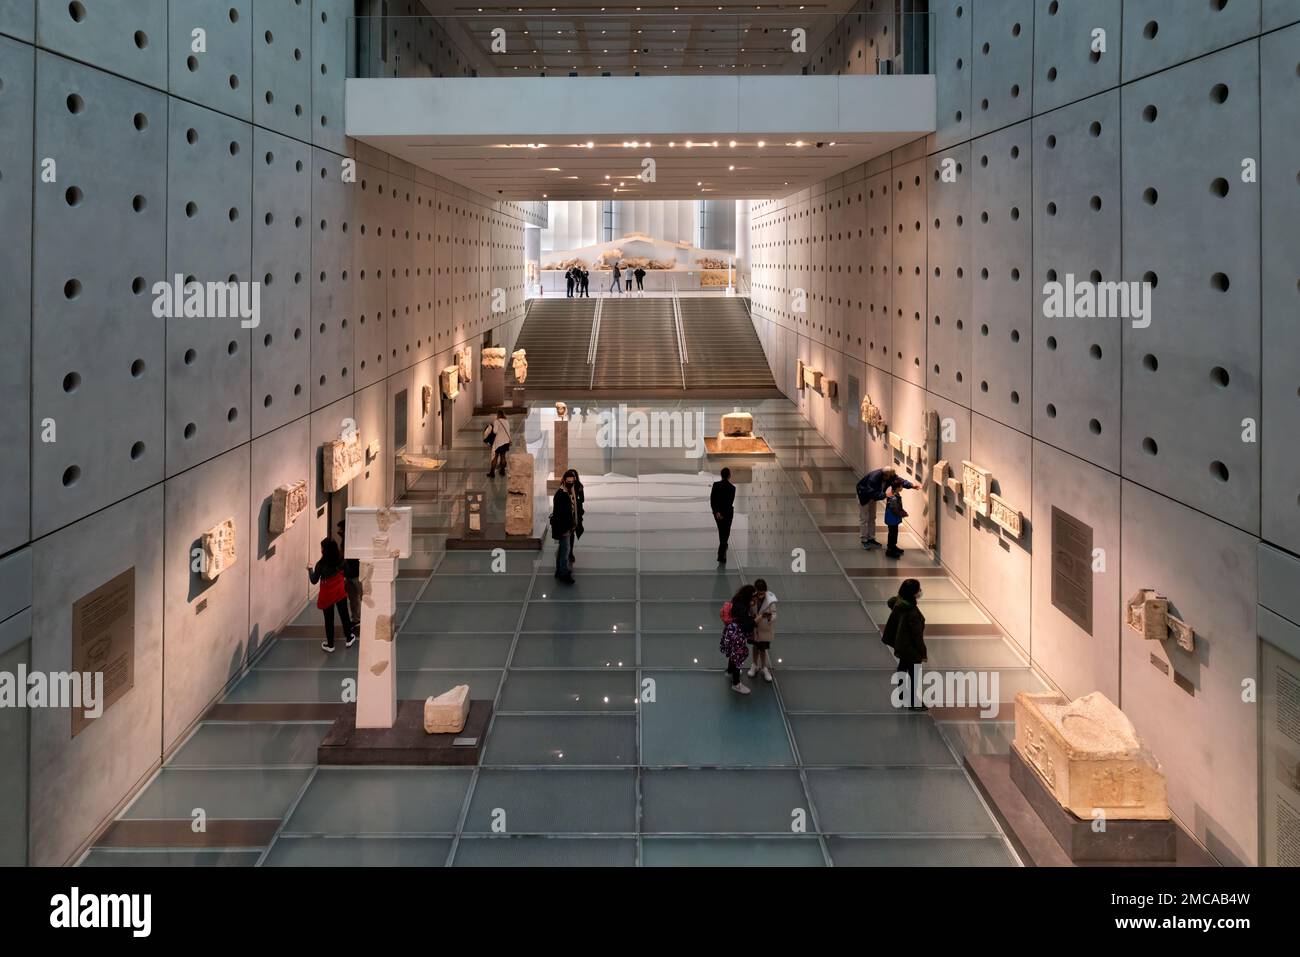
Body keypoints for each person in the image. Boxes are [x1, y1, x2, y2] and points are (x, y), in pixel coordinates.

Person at [881, 578, 927, 710]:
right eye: (918, 590)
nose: (920, 592)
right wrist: (923, 652)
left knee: (902, 666)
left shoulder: (899, 603)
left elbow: (890, 601)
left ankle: (902, 693)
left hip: (901, 643)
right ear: (913, 593)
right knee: (914, 673)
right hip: (910, 647)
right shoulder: (911, 612)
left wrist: (901, 596)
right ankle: (913, 702)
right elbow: (917, 636)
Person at [308, 538, 355, 654]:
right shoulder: (341, 560)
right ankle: (349, 638)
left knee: (329, 620)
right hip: (339, 592)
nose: (321, 550)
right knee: (344, 615)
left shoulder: (321, 565)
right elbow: (348, 573)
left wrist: (309, 570)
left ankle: (330, 645)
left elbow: (314, 580)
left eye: (322, 548)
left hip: (327, 594)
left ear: (325, 550)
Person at [856, 466, 915, 549]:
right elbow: (872, 493)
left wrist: (911, 485)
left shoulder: (890, 475)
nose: (890, 480)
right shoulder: (874, 478)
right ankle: (864, 539)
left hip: (873, 497)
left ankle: (871, 538)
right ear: (885, 475)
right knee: (864, 518)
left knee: (872, 517)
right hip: (864, 496)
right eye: (889, 478)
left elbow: (899, 480)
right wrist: (885, 495)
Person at [719, 584, 757, 695]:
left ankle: (730, 671)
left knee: (732, 653)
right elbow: (747, 626)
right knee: (738, 657)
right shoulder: (742, 607)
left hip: (731, 632)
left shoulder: (737, 601)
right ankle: (736, 684)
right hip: (737, 635)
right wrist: (756, 619)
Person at [550, 468, 580, 583]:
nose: (570, 483)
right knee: (565, 550)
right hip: (564, 527)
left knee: (563, 549)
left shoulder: (568, 492)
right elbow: (561, 514)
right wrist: (569, 526)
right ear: (564, 480)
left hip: (567, 526)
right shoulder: (561, 494)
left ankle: (560, 570)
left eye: (572, 481)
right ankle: (563, 573)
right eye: (569, 481)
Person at [748, 578, 778, 683]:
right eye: (758, 592)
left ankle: (764, 667)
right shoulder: (751, 598)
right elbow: (749, 611)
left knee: (763, 649)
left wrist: (769, 617)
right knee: (755, 646)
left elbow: (774, 614)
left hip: (765, 628)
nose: (760, 595)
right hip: (755, 627)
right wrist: (752, 616)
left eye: (762, 593)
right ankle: (754, 664)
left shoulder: (770, 600)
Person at [336, 519, 361, 641]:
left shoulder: (352, 541)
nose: (338, 532)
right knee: (353, 599)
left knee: (360, 597)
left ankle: (361, 619)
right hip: (351, 574)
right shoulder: (345, 541)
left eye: (340, 529)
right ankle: (356, 619)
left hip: (356, 574)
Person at [710, 467, 736, 564]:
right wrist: (723, 513)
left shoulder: (716, 485)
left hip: (718, 514)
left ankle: (723, 550)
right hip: (728, 514)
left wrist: (717, 512)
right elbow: (729, 502)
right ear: (729, 475)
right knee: (726, 532)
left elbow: (712, 500)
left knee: (722, 532)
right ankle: (721, 553)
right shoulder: (732, 488)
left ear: (721, 475)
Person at [883, 484, 908, 559]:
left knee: (895, 532)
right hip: (892, 518)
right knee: (892, 533)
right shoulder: (893, 497)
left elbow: (898, 507)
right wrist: (902, 513)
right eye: (901, 486)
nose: (902, 487)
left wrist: (902, 512)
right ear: (897, 488)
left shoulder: (896, 495)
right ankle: (890, 549)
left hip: (894, 518)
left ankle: (893, 546)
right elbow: (895, 509)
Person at [568, 467, 586, 565]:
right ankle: (568, 551)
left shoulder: (579, 486)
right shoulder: (566, 486)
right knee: (569, 533)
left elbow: (582, 499)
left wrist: (575, 501)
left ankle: (570, 552)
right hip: (569, 512)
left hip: (575, 512)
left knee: (571, 533)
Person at [486, 410, 511, 477]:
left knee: (495, 457)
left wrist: (492, 427)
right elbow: (508, 431)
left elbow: (495, 431)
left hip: (499, 443)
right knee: (503, 456)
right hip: (506, 442)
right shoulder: (506, 421)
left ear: (498, 415)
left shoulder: (497, 421)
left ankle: (492, 473)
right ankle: (502, 471)